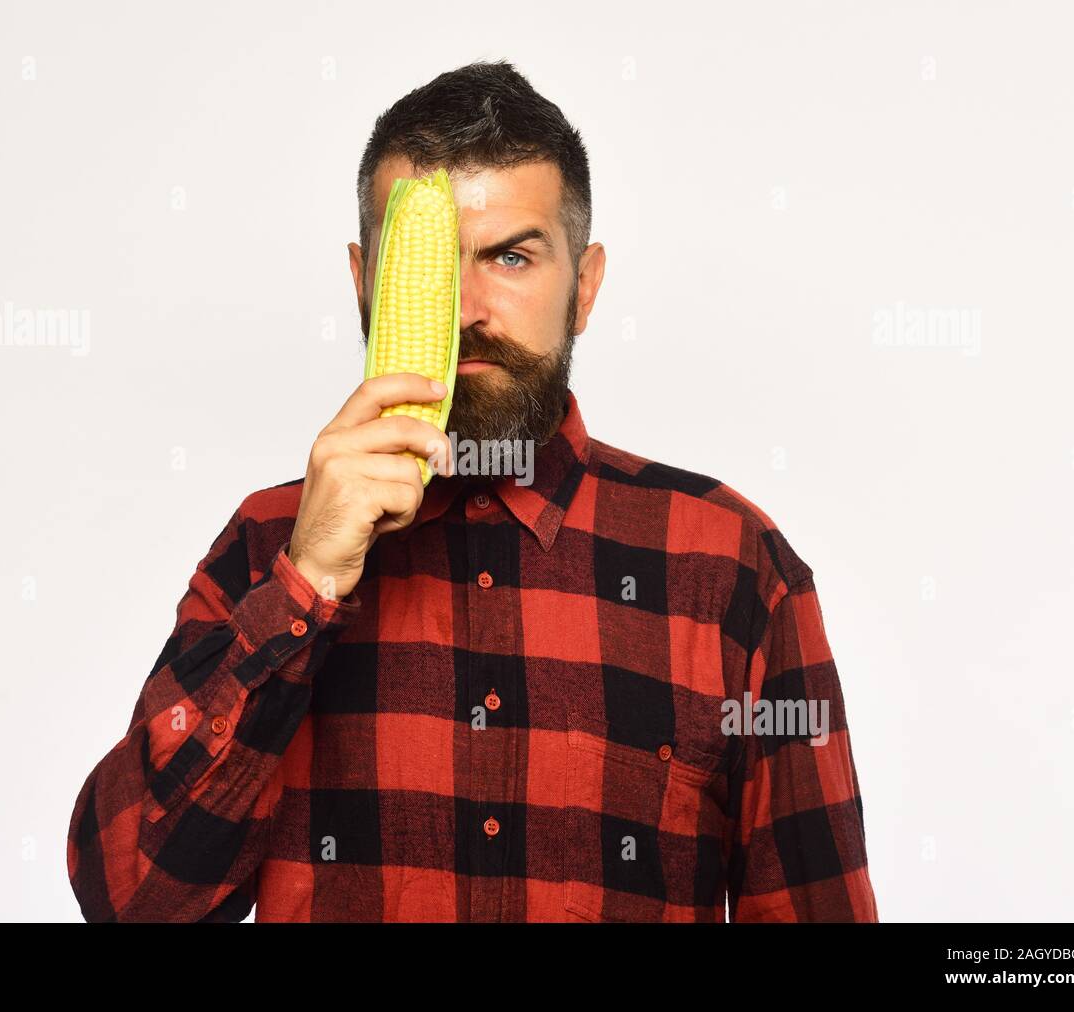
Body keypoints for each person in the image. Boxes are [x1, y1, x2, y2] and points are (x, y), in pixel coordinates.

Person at [66, 59, 878, 923]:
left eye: (513, 257)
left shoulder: (730, 564)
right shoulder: (270, 542)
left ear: (586, 286)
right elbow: (133, 900)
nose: (466, 310)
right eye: (428, 264)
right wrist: (305, 587)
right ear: (361, 280)